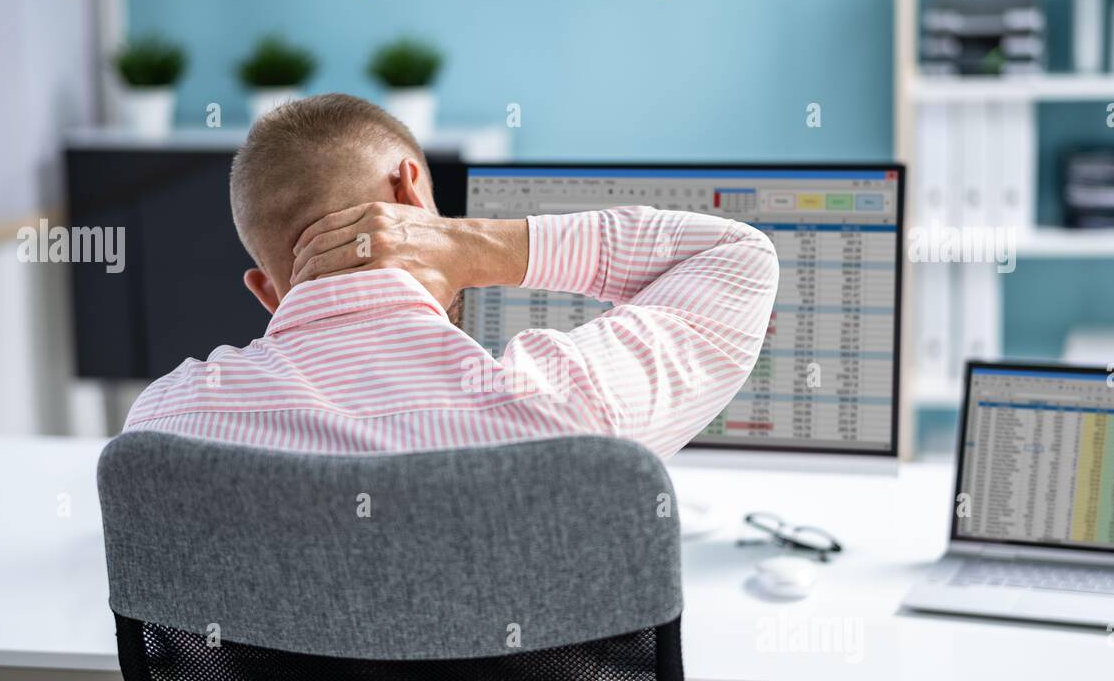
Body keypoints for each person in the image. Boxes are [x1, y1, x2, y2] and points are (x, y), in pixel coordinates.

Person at [124, 93, 779, 459]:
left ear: (266, 294)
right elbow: (739, 261)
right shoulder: (566, 405)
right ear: (413, 194)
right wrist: (468, 241)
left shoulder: (167, 424)